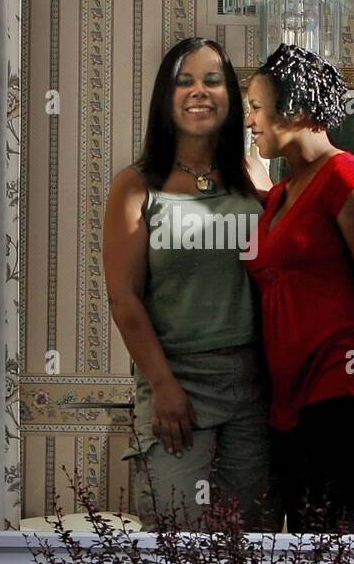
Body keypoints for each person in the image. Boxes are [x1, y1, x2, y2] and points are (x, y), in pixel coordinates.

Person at [102, 37, 275, 530]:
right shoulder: (136, 185)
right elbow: (124, 299)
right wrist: (162, 386)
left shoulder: (250, 173)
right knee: (177, 542)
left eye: (212, 80)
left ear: (230, 95)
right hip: (178, 379)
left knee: (252, 543)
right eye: (185, 81)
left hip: (254, 381)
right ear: (166, 96)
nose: (199, 92)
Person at [243, 43, 354, 533]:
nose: (250, 122)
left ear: (292, 108)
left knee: (331, 554)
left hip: (345, 386)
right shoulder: (283, 192)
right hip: (290, 396)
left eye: (255, 108)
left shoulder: (349, 181)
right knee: (297, 554)